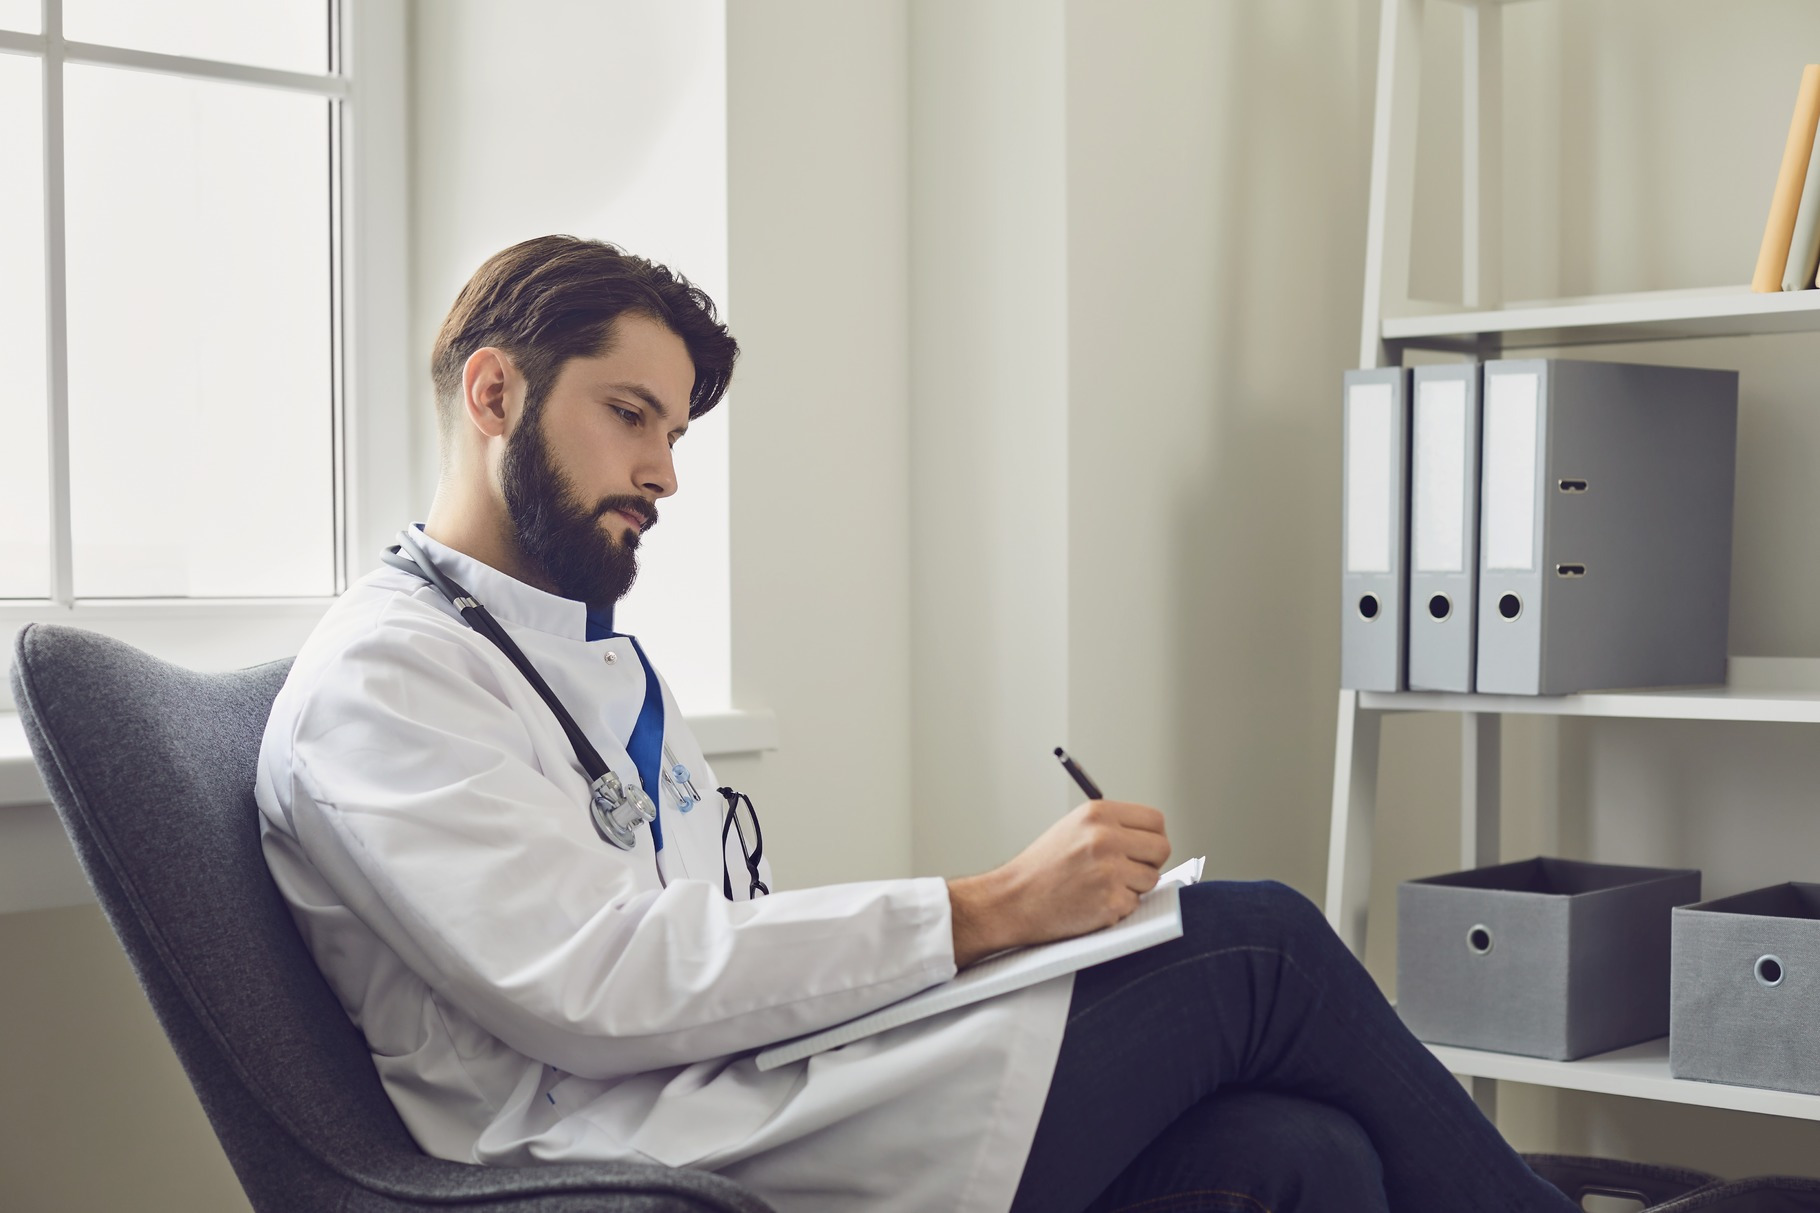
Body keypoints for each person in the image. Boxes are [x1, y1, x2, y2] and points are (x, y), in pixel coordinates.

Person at [257, 235, 1576, 1213]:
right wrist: (987, 909)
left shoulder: (584, 657)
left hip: (740, 1086)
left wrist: (978, 953)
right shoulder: (382, 682)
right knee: (1263, 944)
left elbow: (712, 929)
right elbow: (598, 985)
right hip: (614, 1156)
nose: (663, 470)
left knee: (1304, 1158)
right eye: (630, 415)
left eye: (674, 432)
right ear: (495, 395)